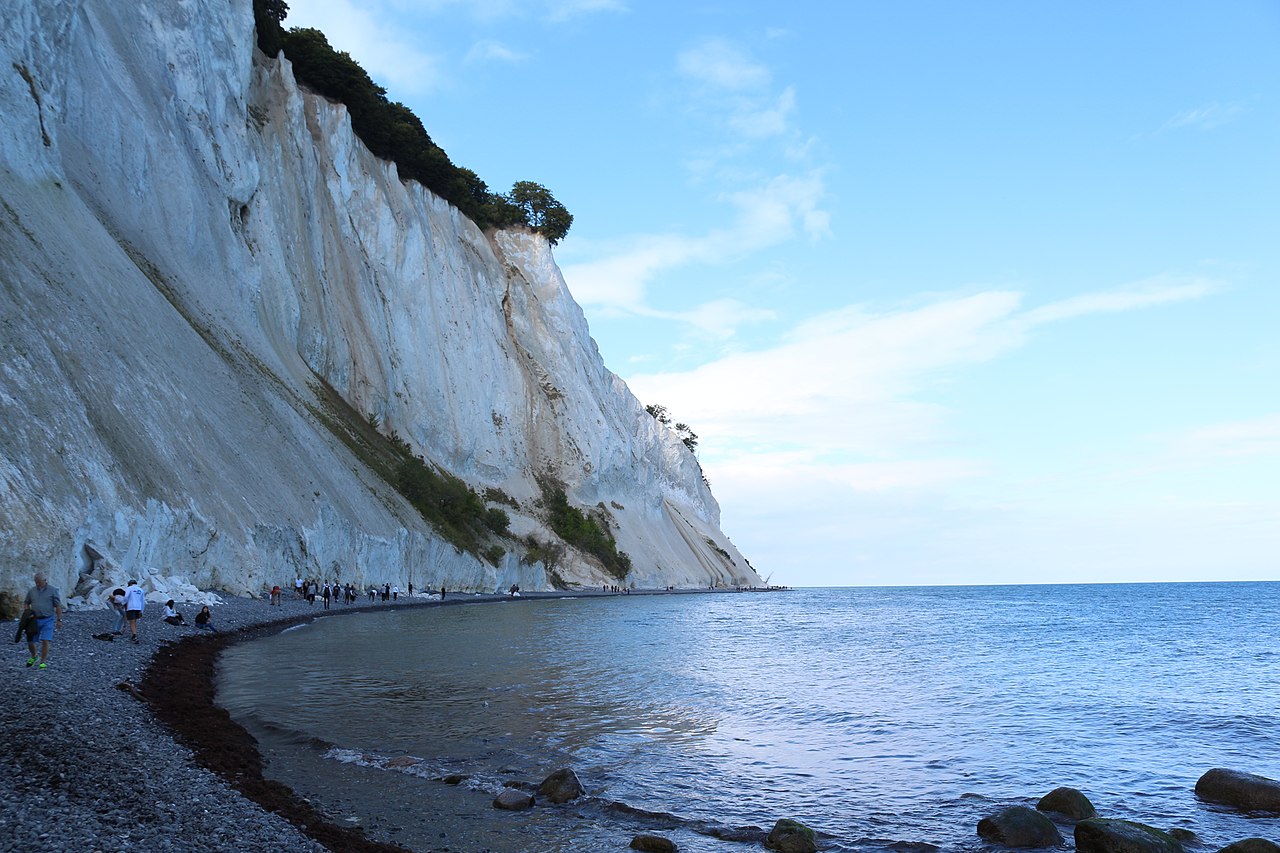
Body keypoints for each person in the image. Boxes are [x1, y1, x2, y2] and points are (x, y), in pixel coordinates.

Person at [22, 573, 62, 669]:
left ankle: (43, 662)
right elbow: (26, 602)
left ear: (45, 581)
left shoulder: (52, 590)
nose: (38, 584)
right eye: (36, 582)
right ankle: (34, 656)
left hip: (48, 619)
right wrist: (27, 612)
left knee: (45, 640)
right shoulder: (32, 591)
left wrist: (59, 619)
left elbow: (58, 606)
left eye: (39, 582)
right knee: (30, 641)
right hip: (34, 620)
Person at [123, 579, 146, 644]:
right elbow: (142, 601)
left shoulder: (129, 588)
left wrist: (122, 603)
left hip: (131, 606)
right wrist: (142, 610)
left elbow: (126, 597)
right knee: (134, 621)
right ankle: (134, 633)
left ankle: (134, 635)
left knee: (132, 621)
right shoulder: (141, 590)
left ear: (129, 584)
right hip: (138, 607)